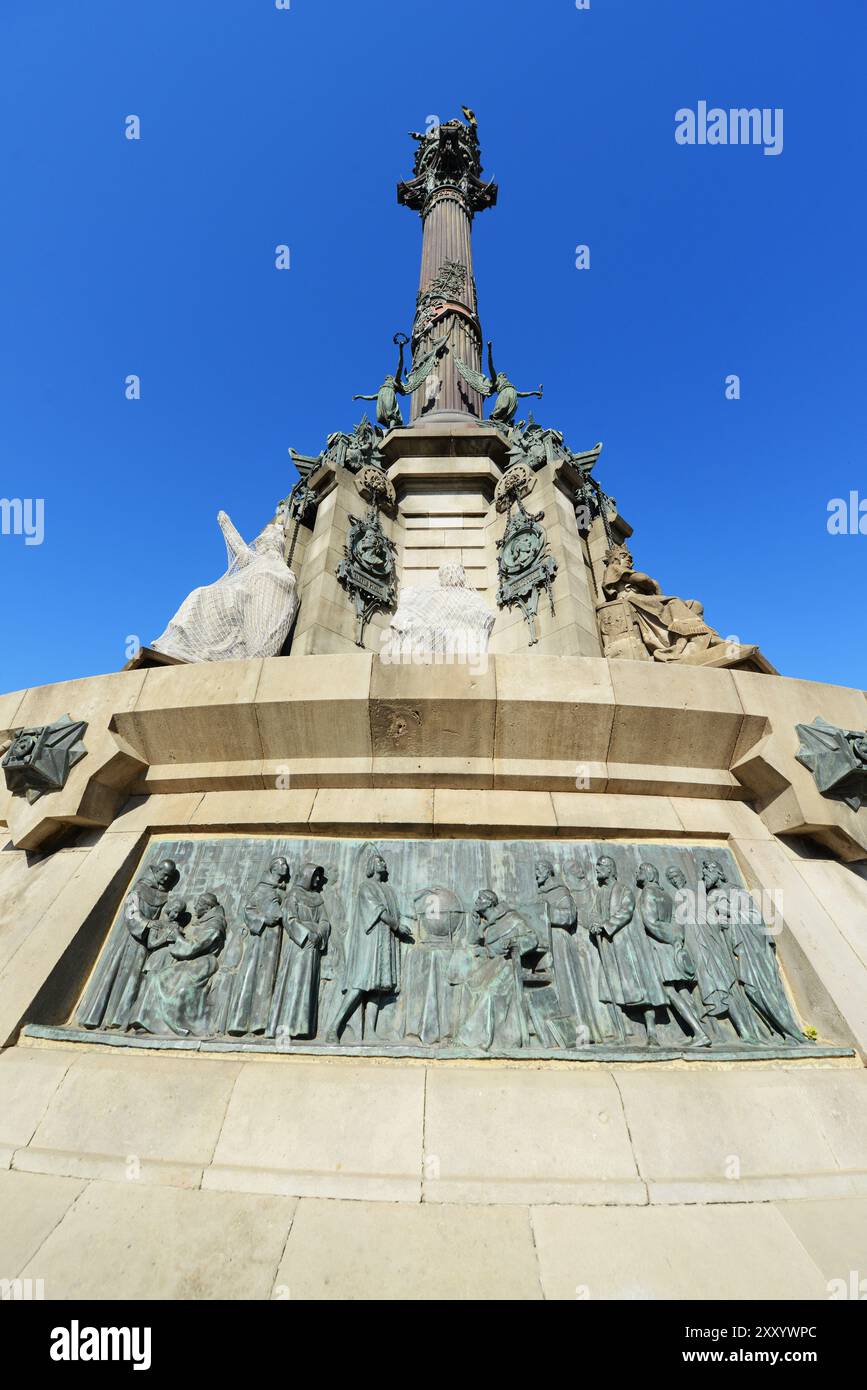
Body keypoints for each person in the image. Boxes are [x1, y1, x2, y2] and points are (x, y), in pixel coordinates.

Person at [78, 858, 179, 1030]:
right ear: (157, 870)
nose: (165, 880)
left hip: (143, 942)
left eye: (169, 877)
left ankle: (121, 1017)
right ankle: (101, 1017)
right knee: (117, 974)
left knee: (134, 978)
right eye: (164, 875)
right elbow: (131, 913)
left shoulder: (163, 895)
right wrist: (147, 923)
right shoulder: (139, 889)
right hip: (130, 938)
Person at [325, 846, 406, 1042]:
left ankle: (370, 1031)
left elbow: (393, 911)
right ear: (371, 866)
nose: (382, 864)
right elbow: (376, 910)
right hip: (369, 942)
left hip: (384, 941)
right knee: (360, 984)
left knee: (377, 987)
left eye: (383, 862)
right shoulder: (366, 887)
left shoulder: (388, 889)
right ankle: (333, 1028)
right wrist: (396, 925)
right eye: (378, 861)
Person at [589, 856, 668, 1045]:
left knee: (642, 987)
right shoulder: (601, 892)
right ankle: (621, 1032)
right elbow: (594, 913)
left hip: (627, 946)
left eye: (601, 865)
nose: (597, 868)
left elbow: (626, 910)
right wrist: (593, 924)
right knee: (611, 987)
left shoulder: (623, 889)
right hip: (609, 946)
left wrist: (606, 925)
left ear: (610, 869)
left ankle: (652, 1033)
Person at [636, 863, 711, 1047]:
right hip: (673, 947)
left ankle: (699, 1033)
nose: (636, 874)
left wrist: (669, 939)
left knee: (669, 990)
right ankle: (697, 1032)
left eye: (639, 871)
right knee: (682, 989)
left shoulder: (648, 893)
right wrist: (676, 939)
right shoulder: (666, 894)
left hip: (659, 947)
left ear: (648, 874)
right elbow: (678, 923)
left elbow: (650, 922)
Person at [131, 892, 226, 1038]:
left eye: (198, 904)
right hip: (193, 961)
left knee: (180, 989)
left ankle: (177, 1025)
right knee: (157, 977)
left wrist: (177, 937)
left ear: (207, 908)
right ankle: (148, 1021)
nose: (195, 906)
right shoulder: (207, 921)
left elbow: (195, 946)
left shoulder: (214, 925)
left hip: (202, 963)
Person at [227, 857, 290, 1036]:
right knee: (252, 974)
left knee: (268, 976)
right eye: (282, 864)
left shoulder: (282, 890)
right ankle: (240, 1021)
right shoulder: (263, 887)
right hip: (260, 936)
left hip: (275, 937)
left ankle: (260, 1022)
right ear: (273, 868)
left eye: (286, 865)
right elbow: (248, 909)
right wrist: (263, 920)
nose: (285, 867)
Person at [268, 863, 331, 1039]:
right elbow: (289, 918)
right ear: (306, 875)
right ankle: (287, 1027)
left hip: (313, 945)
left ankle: (302, 1027)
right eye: (315, 876)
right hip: (299, 944)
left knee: (308, 984)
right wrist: (306, 934)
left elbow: (325, 920)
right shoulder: (294, 894)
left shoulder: (317, 898)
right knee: (294, 982)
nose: (318, 880)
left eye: (319, 876)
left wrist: (319, 933)